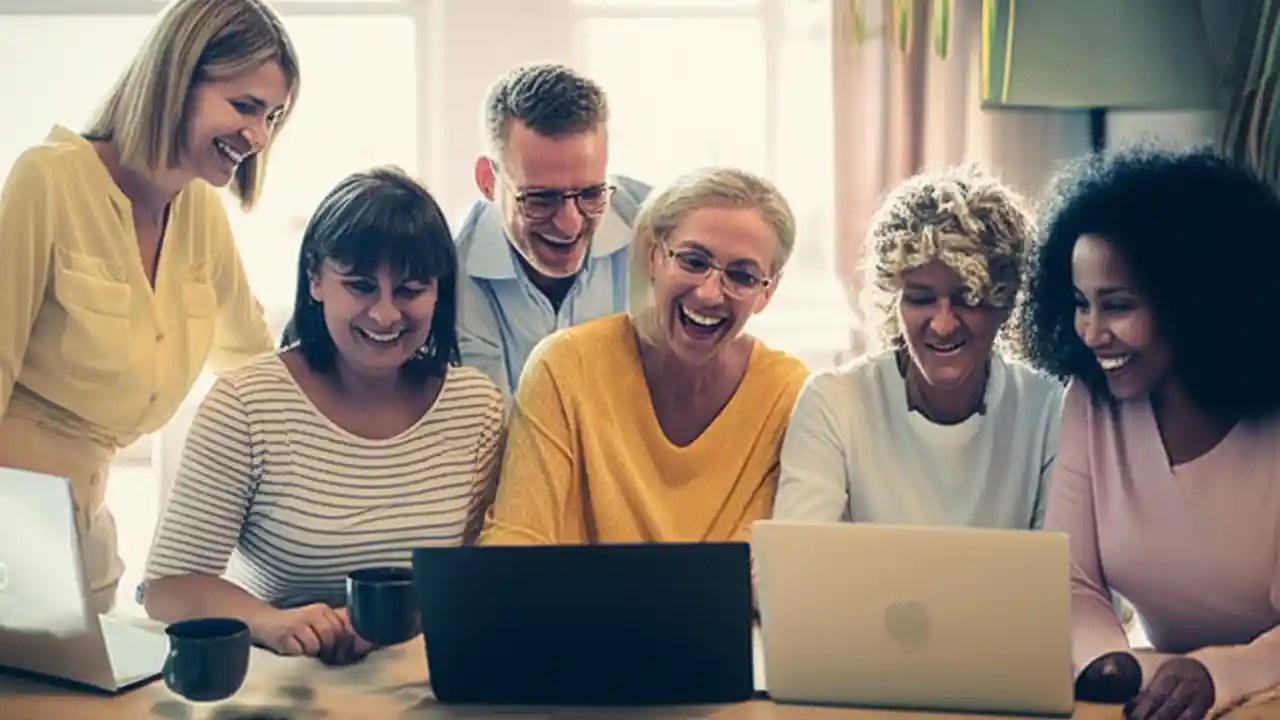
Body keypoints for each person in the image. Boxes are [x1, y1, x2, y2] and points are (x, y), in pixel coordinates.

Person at [0, 0, 298, 612]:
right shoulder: (49, 182)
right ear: (177, 77)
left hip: (90, 545)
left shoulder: (200, 215)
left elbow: (257, 368)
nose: (260, 135)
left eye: (272, 116)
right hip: (13, 532)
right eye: (245, 106)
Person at [141, 167, 504, 665]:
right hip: (284, 680)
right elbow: (170, 588)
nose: (384, 314)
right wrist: (271, 622)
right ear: (315, 279)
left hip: (425, 682)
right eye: (359, 286)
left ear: (439, 291)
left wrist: (412, 615)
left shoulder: (477, 407)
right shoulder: (247, 404)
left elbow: (484, 576)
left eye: (410, 289)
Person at [1020, 146, 1280, 719]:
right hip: (1166, 692)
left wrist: (1217, 673)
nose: (1090, 332)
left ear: (1195, 304)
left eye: (1116, 306)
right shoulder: (1091, 402)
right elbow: (1073, 584)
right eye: (1080, 305)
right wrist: (1112, 662)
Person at [479, 167, 808, 546]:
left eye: (743, 276)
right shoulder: (564, 368)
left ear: (768, 290)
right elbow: (515, 547)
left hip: (720, 609)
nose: (709, 294)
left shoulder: (788, 394)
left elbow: (764, 571)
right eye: (693, 261)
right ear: (654, 256)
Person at [773, 165, 1063, 529]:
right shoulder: (834, 402)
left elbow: (1056, 569)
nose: (942, 325)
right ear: (894, 300)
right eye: (920, 299)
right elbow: (798, 561)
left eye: (967, 299)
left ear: (1004, 302)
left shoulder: (1046, 407)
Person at [455, 61, 651, 398]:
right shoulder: (445, 270)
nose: (570, 223)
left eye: (591, 193)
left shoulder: (661, 228)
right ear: (488, 182)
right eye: (541, 199)